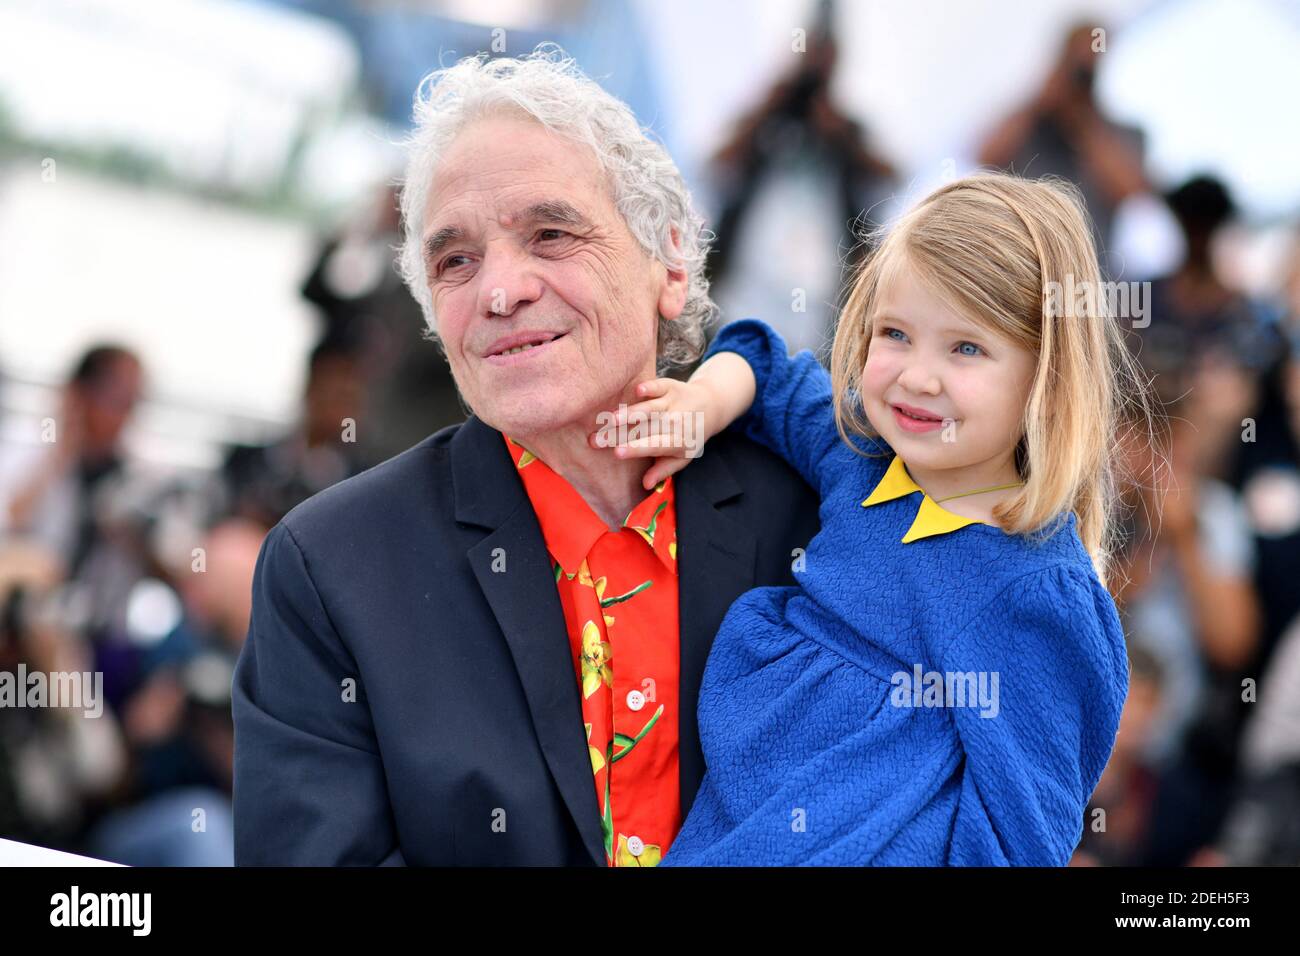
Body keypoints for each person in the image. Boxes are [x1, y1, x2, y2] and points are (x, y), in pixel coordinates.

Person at [230, 46, 820, 866]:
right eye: (456, 261)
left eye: (550, 234)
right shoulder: (332, 567)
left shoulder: (814, 523)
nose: (500, 291)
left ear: (672, 266)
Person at [600, 173, 1157, 865]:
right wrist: (699, 407)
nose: (918, 377)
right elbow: (762, 362)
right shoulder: (860, 452)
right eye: (896, 333)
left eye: (966, 348)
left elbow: (1020, 836)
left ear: (1046, 378)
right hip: (739, 827)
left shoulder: (1038, 592)